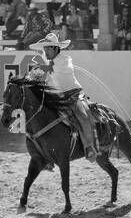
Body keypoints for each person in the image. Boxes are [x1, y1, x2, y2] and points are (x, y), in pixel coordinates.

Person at [26, 32, 100, 160]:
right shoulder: (48, 59)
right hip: (57, 97)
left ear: (55, 48)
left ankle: (90, 147)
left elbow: (49, 69)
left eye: (48, 48)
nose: (45, 51)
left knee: (82, 115)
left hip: (73, 94)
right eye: (45, 48)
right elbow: (42, 70)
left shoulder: (64, 60)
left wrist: (39, 69)